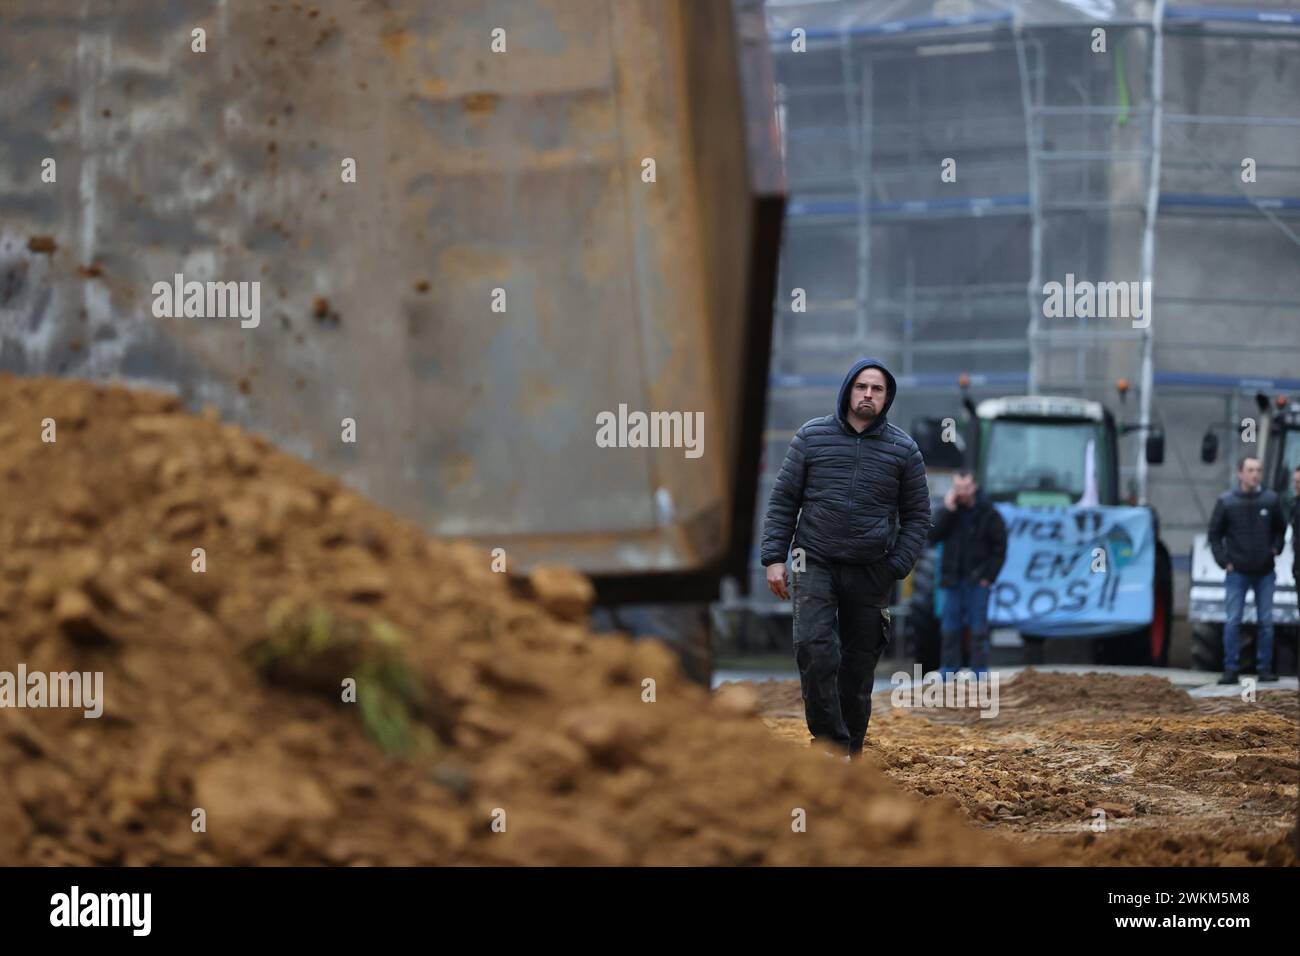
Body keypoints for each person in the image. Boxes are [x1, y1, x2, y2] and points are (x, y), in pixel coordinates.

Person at [760, 358, 930, 759]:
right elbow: (784, 499)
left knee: (857, 671)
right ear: (848, 391)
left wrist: (895, 567)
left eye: (877, 389)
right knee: (815, 651)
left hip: (871, 571)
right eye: (861, 387)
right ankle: (830, 746)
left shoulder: (904, 450)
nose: (868, 394)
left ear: (887, 399)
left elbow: (919, 517)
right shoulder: (811, 437)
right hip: (813, 560)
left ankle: (849, 754)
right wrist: (774, 558)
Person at [1207, 456, 1285, 684]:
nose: (1255, 474)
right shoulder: (1227, 502)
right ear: (1240, 473)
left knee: (1266, 622)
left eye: (1259, 470)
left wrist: (1275, 549)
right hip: (1237, 572)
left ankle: (1264, 669)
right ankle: (1231, 669)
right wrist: (1224, 561)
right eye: (1251, 470)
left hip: (1265, 572)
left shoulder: (1271, 501)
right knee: (1232, 621)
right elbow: (1214, 534)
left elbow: (1281, 529)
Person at [929, 469, 1007, 676]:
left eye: (965, 488)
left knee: (978, 628)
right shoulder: (949, 512)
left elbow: (999, 549)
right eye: (957, 488)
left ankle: (979, 670)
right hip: (953, 580)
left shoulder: (989, 514)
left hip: (977, 581)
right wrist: (947, 510)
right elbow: (933, 536)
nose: (961, 492)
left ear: (974, 487)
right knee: (949, 627)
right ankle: (949, 669)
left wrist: (988, 577)